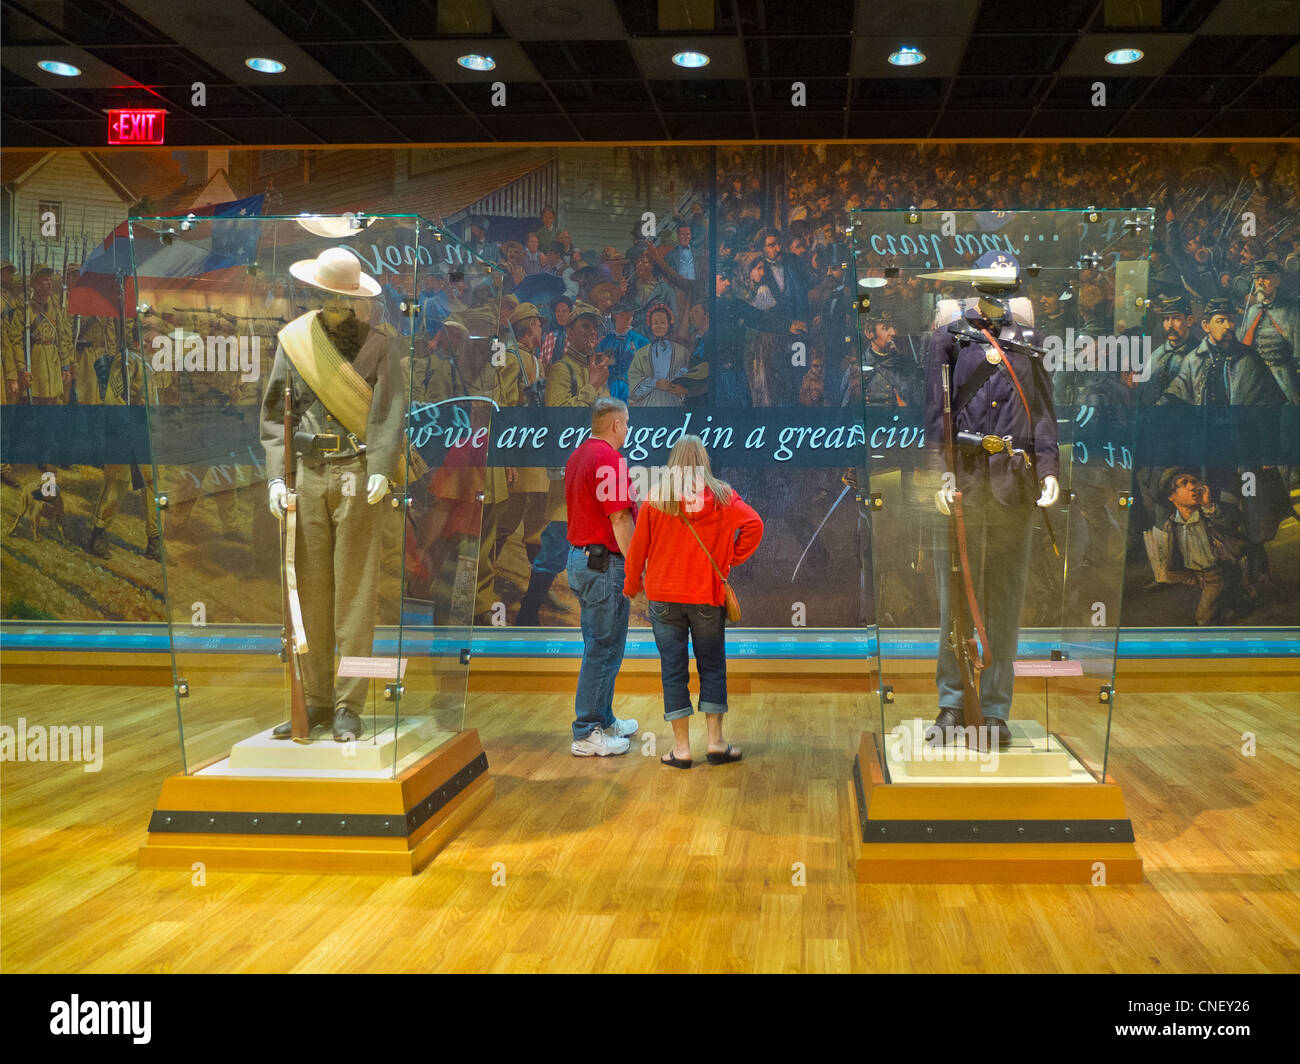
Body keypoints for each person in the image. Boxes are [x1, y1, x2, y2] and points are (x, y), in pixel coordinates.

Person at [260, 248, 405, 742]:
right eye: (328, 295)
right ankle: (317, 701)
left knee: (357, 597)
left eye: (344, 297)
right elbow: (274, 414)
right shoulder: (294, 342)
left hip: (358, 473)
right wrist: (277, 479)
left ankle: (350, 704)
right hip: (307, 474)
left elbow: (388, 413)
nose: (335, 303)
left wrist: (382, 469)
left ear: (357, 299)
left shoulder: (380, 346)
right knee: (311, 596)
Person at [623, 435, 763, 767]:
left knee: (673, 670)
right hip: (705, 595)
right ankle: (715, 744)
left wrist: (631, 585)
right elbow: (754, 524)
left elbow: (637, 549)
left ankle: (682, 749)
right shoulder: (722, 495)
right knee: (712, 666)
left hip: (663, 597)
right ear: (704, 460)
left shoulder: (657, 497)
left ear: (673, 460)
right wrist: (730, 559)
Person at [564, 395, 638, 757]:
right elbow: (620, 518)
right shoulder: (609, 459)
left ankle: (603, 719)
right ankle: (586, 731)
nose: (628, 431)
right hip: (603, 565)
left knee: (605, 644)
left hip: (583, 562)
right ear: (616, 425)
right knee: (603, 646)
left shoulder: (579, 455)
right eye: (627, 424)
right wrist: (637, 564)